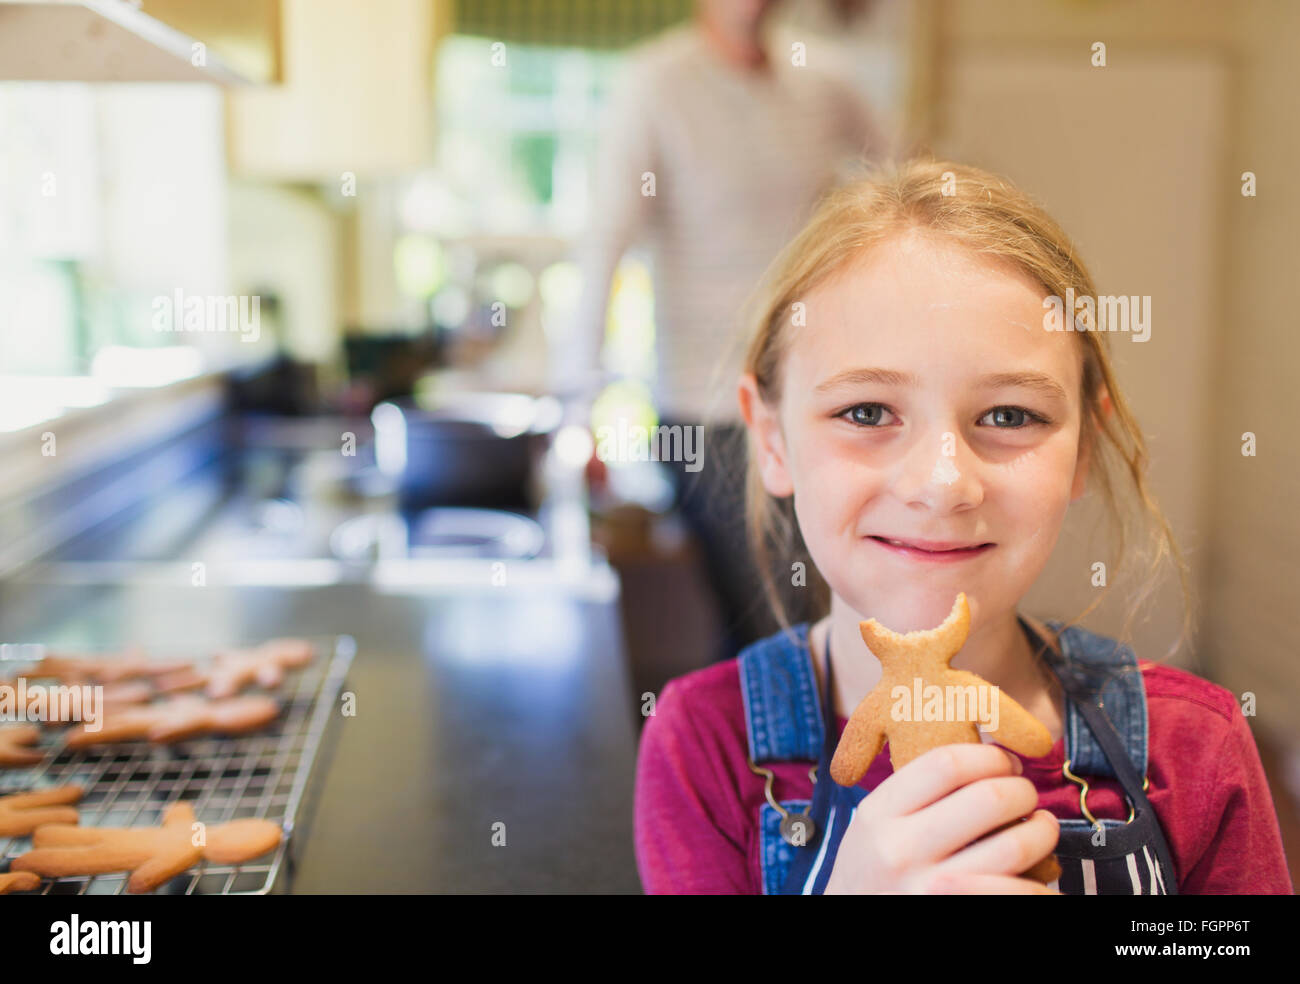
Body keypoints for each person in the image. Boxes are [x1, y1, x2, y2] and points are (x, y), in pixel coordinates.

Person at [632, 158, 1293, 894]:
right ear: (772, 440)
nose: (943, 484)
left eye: (1010, 415)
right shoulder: (707, 746)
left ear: (1084, 449)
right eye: (867, 412)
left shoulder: (1196, 746)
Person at [564, 0, 891, 662]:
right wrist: (578, 406)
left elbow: (903, 186)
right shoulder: (654, 83)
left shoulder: (824, 79)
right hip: (704, 413)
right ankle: (769, 764)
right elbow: (606, 245)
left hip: (816, 399)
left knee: (825, 618)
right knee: (770, 624)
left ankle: (816, 760)